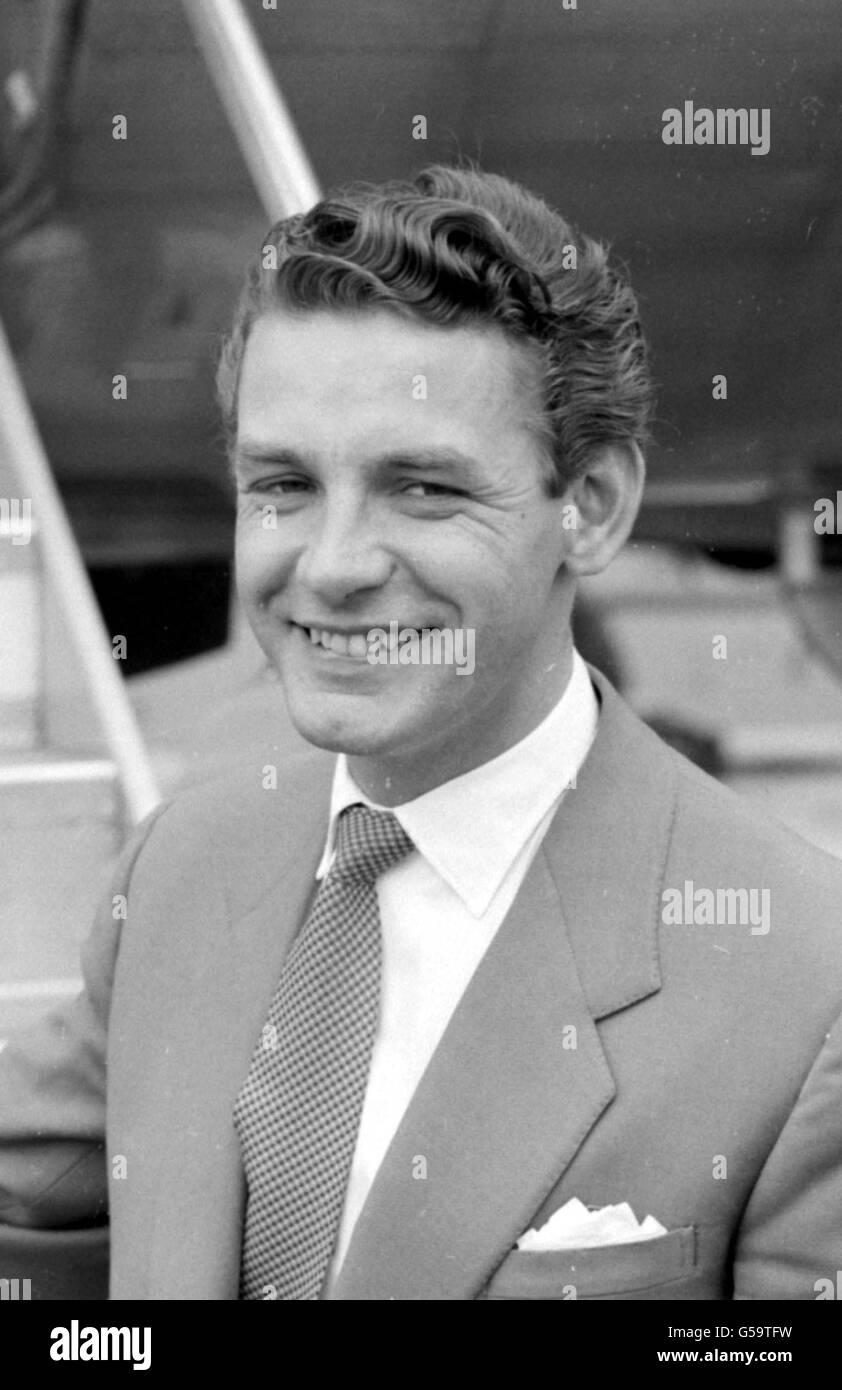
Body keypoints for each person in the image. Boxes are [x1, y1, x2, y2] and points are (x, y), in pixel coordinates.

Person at [1, 165, 841, 1301]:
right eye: (283, 483)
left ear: (587, 505)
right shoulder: (178, 868)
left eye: (423, 490)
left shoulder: (804, 983)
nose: (333, 565)